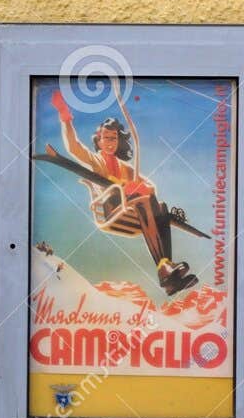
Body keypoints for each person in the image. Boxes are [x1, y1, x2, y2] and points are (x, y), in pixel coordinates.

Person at [50, 88, 197, 295]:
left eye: (113, 139)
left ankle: (169, 278)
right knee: (144, 201)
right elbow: (74, 148)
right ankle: (165, 270)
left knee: (160, 206)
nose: (109, 142)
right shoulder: (97, 160)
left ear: (117, 141)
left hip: (131, 209)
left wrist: (138, 186)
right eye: (105, 138)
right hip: (110, 207)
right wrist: (65, 118)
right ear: (99, 141)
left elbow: (150, 186)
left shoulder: (124, 167)